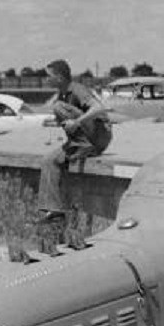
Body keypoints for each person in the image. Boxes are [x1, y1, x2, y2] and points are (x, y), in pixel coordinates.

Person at [36, 59, 112, 224]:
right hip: (84, 139)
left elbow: (99, 108)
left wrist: (76, 122)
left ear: (60, 77)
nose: (46, 79)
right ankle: (54, 210)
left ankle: (83, 146)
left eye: (49, 76)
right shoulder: (63, 94)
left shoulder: (77, 89)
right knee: (48, 160)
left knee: (58, 107)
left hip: (98, 136)